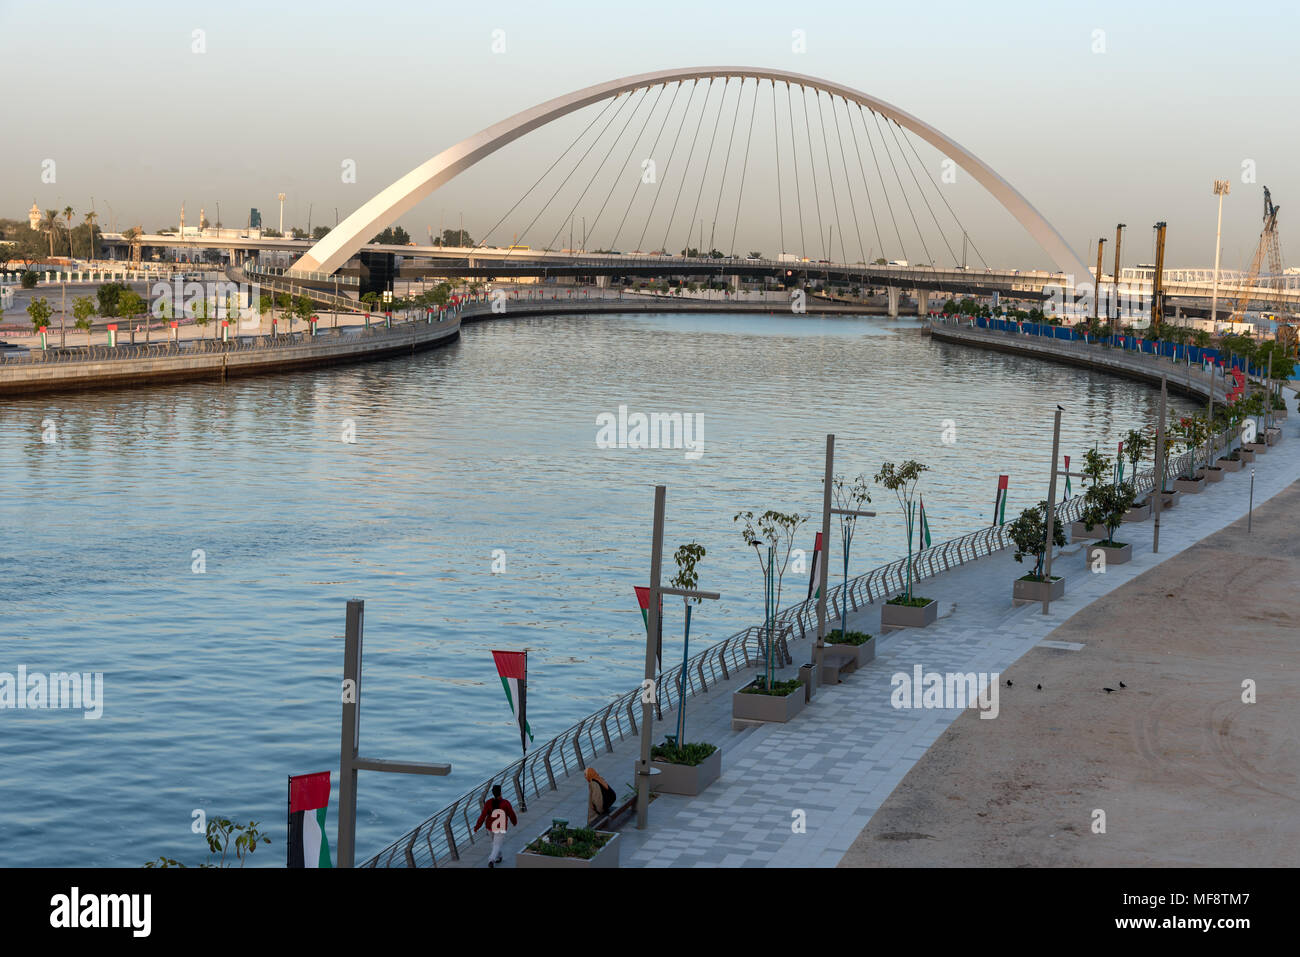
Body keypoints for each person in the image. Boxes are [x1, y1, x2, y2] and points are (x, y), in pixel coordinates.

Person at [473, 784, 517, 867]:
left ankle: (499, 856)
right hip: (501, 827)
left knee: (495, 843)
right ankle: (491, 860)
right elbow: (511, 814)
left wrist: (477, 827)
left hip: (490, 826)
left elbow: (483, 816)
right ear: (500, 792)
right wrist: (514, 822)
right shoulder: (506, 803)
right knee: (496, 844)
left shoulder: (488, 802)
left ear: (493, 793)